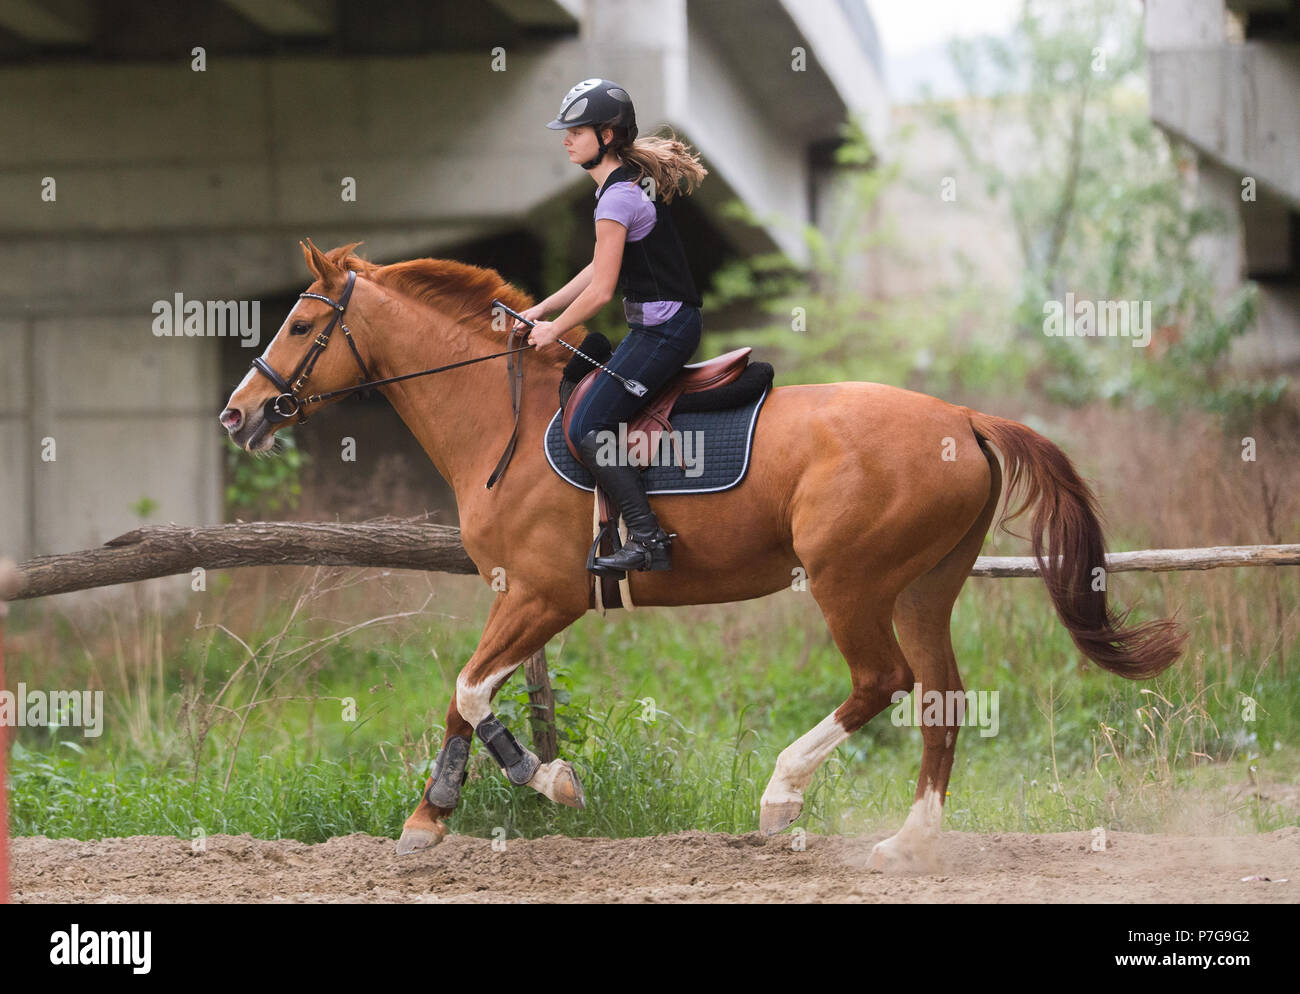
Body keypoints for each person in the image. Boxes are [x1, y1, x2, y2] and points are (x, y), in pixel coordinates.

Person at [514, 78, 708, 575]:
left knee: (587, 425)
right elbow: (599, 267)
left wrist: (553, 332)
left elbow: (602, 292)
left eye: (575, 130)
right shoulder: (620, 186)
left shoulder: (617, 198)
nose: (565, 139)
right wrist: (542, 308)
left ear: (605, 136)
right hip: (660, 327)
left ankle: (647, 541)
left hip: (665, 331)